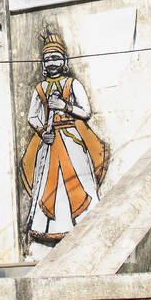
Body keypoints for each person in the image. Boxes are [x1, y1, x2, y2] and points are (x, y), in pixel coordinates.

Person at [20, 31, 108, 244]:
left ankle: (87, 222)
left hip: (71, 139)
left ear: (64, 60)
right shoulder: (40, 88)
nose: (52, 63)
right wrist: (43, 132)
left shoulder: (72, 84)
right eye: (48, 59)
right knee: (48, 184)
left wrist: (65, 106)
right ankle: (48, 227)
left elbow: (85, 111)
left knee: (78, 178)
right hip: (50, 140)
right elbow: (33, 116)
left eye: (56, 58)